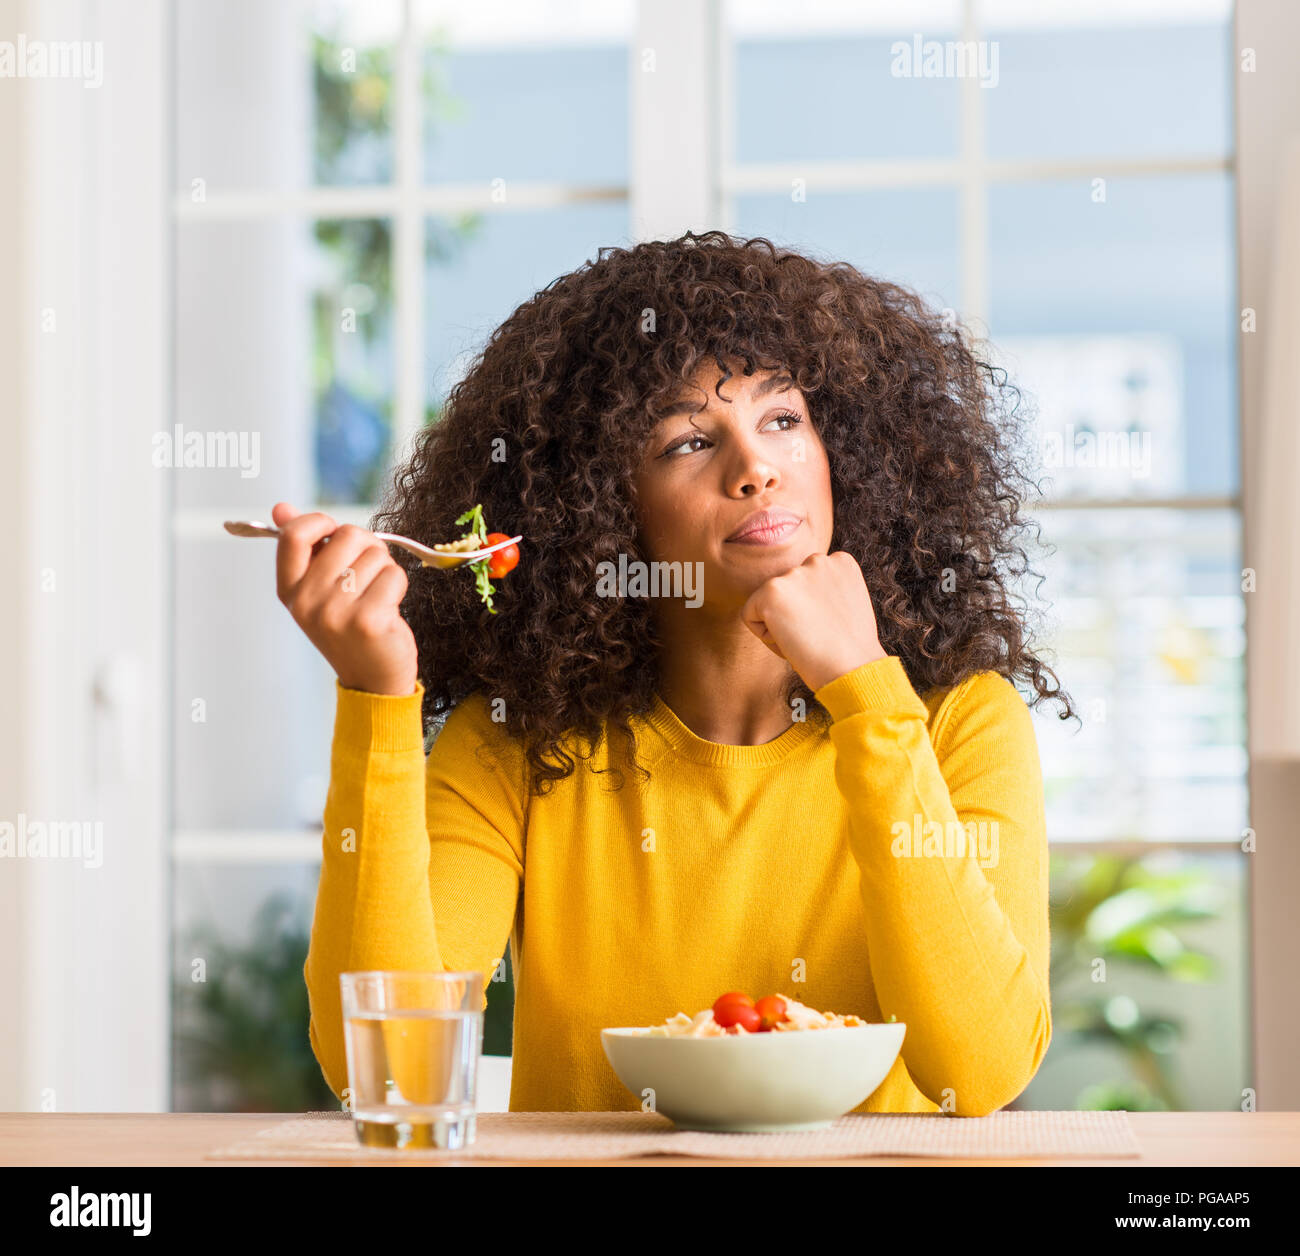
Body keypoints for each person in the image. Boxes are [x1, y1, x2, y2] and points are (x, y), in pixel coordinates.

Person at [274, 230, 1075, 1116]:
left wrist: (865, 691)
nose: (756, 470)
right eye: (689, 442)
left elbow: (982, 1071)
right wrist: (377, 699)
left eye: (782, 420)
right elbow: (380, 1073)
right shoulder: (517, 740)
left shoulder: (960, 719)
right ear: (604, 508)